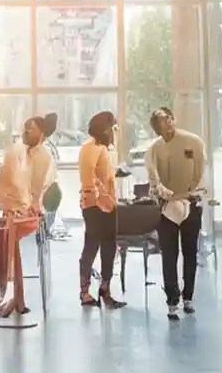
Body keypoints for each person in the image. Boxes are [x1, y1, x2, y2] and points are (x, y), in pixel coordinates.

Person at [0, 113, 58, 319]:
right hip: (14, 208)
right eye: (26, 127)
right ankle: (14, 294)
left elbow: (36, 191)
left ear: (42, 133)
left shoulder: (44, 157)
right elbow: (6, 179)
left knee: (7, 234)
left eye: (32, 128)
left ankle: (9, 290)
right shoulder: (19, 152)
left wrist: (23, 207)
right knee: (5, 234)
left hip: (32, 213)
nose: (27, 131)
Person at [144, 107, 206, 319]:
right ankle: (172, 300)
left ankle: (188, 296)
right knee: (169, 255)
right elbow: (153, 175)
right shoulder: (154, 149)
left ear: (172, 119)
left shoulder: (193, 142)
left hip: (190, 202)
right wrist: (159, 190)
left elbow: (201, 170)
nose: (163, 126)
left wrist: (194, 192)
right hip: (166, 207)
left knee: (190, 253)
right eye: (158, 123)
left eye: (165, 120)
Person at [78, 111, 125, 309]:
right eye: (113, 127)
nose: (115, 131)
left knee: (109, 248)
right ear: (105, 129)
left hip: (108, 204)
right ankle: (85, 292)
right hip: (95, 205)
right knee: (91, 246)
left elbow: (104, 174)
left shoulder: (104, 149)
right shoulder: (91, 148)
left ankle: (105, 290)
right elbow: (89, 178)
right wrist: (100, 200)